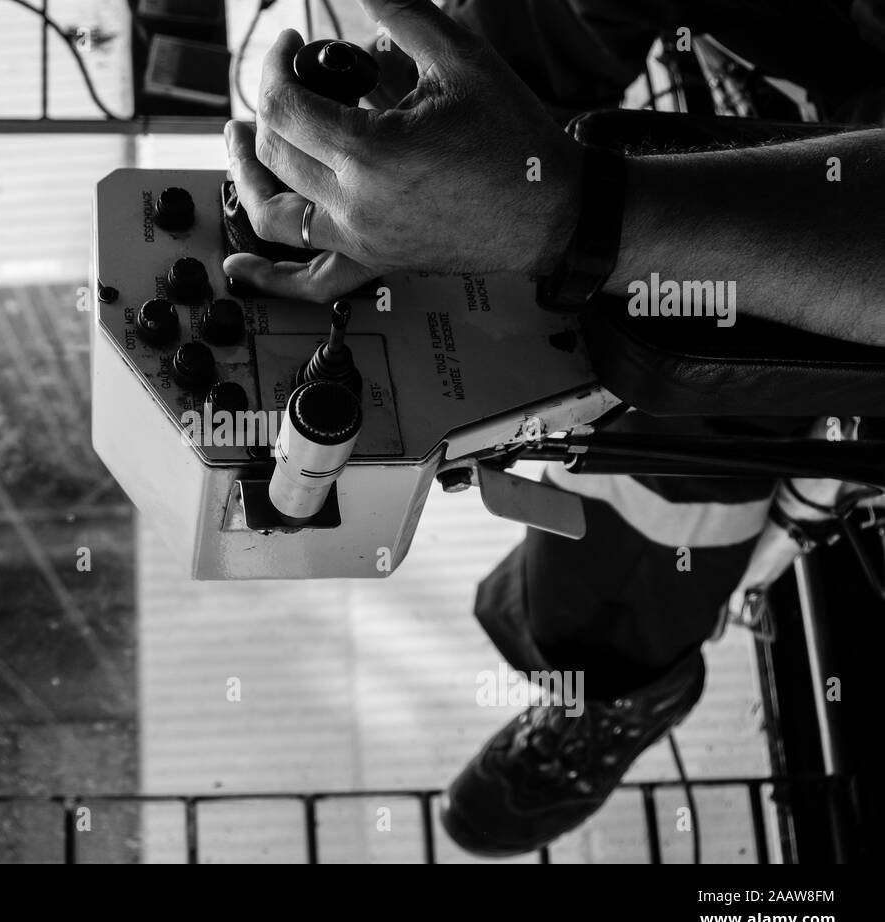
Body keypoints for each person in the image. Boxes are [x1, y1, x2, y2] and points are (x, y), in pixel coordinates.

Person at [225, 0, 885, 855]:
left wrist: (532, 189)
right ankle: (616, 691)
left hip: (659, 433)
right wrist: (494, 158)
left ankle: (613, 691)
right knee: (585, 592)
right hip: (672, 437)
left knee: (566, 608)